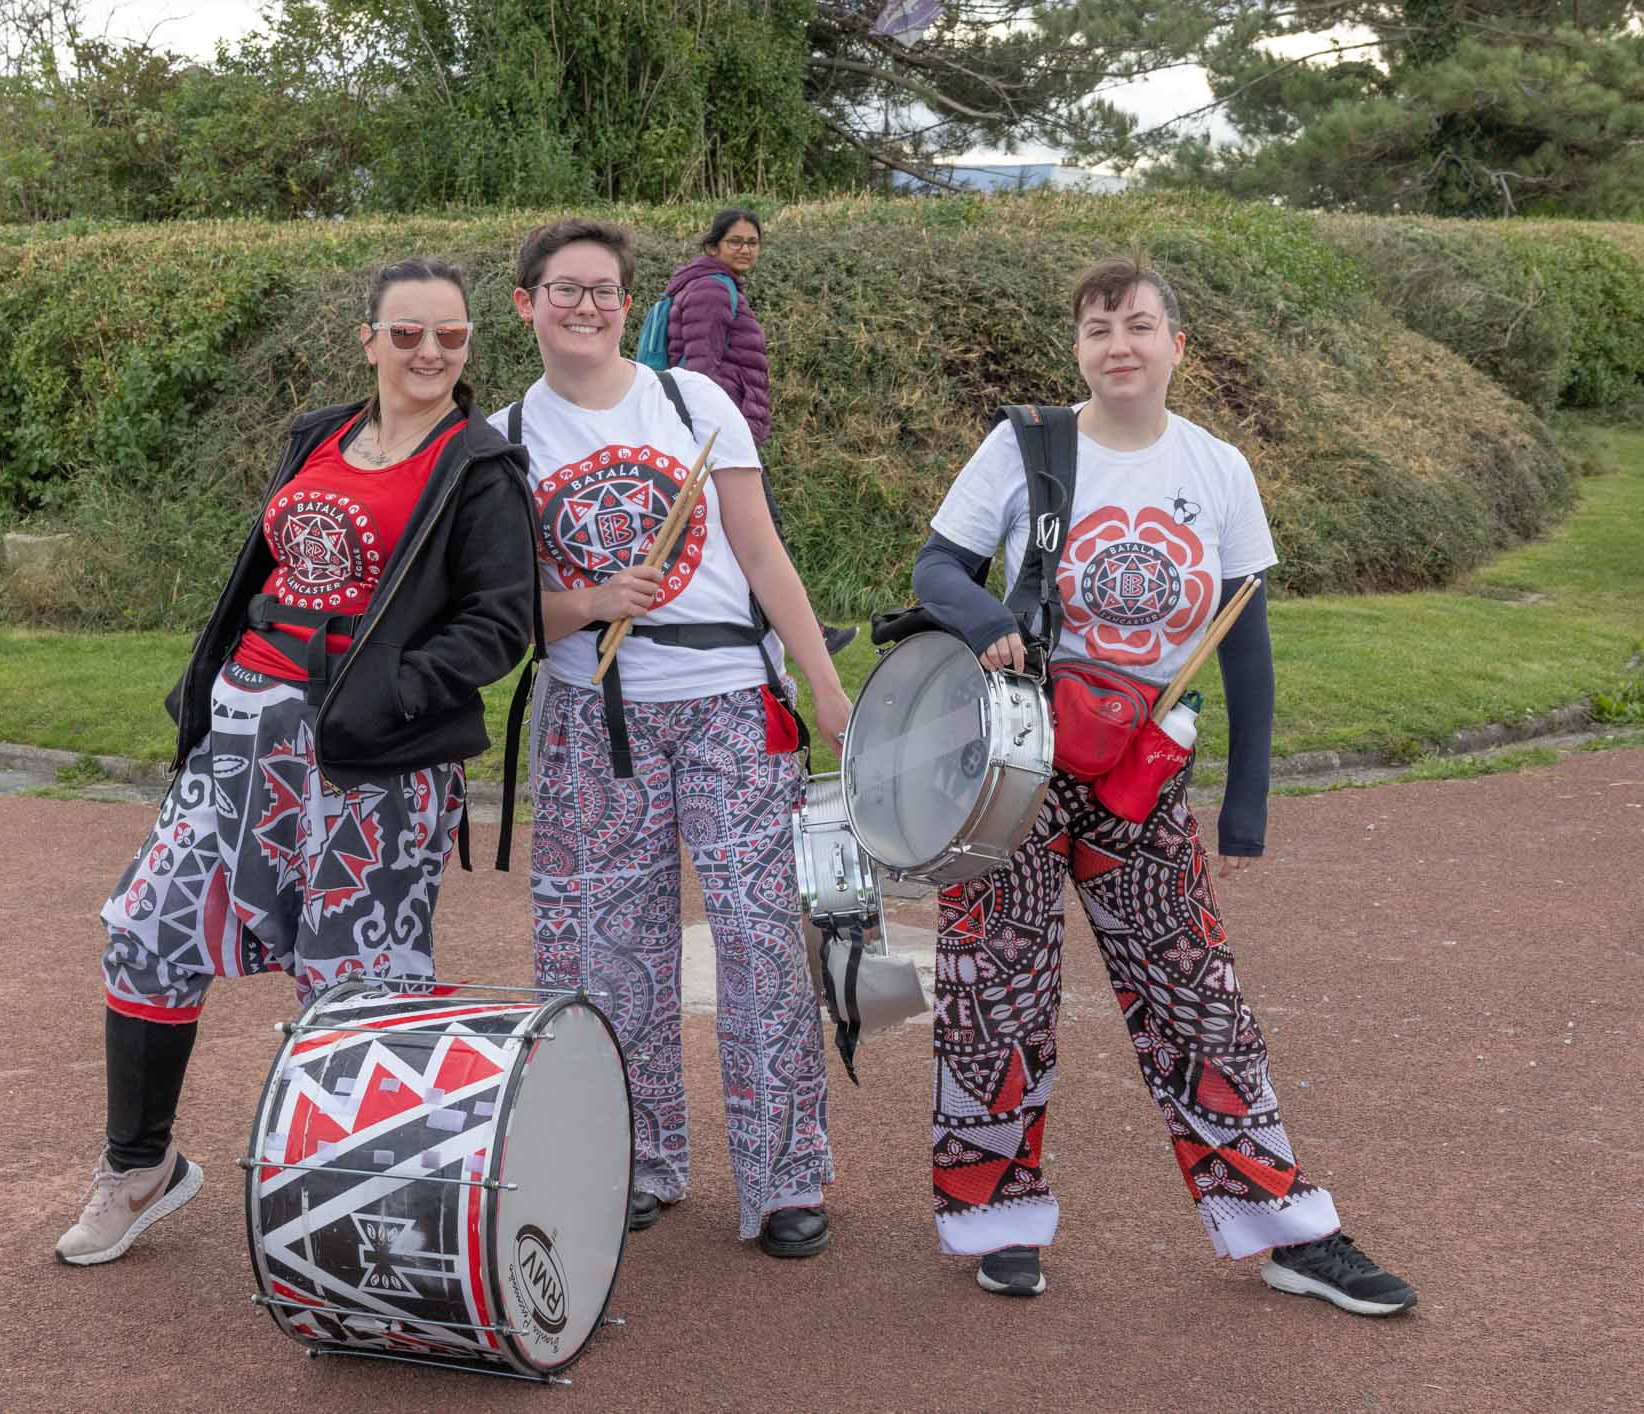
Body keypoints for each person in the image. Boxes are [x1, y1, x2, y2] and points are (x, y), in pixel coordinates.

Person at [909, 253, 1417, 1316]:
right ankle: (997, 1218)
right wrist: (990, 622)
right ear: (1077, 349)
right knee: (991, 991)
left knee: (1197, 993)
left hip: (1146, 772)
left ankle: (1282, 1226)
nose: (1117, 344)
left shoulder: (1217, 467)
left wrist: (1247, 796)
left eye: (1137, 325)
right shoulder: (1024, 445)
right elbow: (936, 569)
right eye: (1096, 328)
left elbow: (1246, 641)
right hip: (1014, 760)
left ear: (1175, 345)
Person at [55, 257, 538, 1266]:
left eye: (449, 336)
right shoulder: (314, 435)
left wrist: (387, 690)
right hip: (243, 734)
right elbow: (263, 567)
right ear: (368, 339)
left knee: (354, 983)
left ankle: (361, 1215)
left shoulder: (479, 466)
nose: (429, 353)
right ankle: (138, 1167)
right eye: (406, 334)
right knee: (147, 933)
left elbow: (498, 627)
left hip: (374, 760)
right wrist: (218, 683)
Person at [494, 217, 850, 1257]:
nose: (585, 307)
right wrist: (593, 599)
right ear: (525, 305)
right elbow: (507, 608)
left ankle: (784, 1176)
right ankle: (633, 1157)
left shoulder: (691, 403)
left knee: (757, 938)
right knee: (607, 953)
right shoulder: (504, 436)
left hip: (732, 700)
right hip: (590, 716)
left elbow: (758, 547)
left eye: (604, 290)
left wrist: (823, 687)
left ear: (626, 304)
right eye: (564, 289)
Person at [666, 208, 855, 657]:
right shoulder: (711, 290)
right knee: (763, 532)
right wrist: (716, 429)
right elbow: (700, 368)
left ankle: (772, 620)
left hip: (724, 431)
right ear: (713, 246)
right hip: (719, 436)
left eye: (753, 242)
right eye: (736, 241)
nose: (746, 249)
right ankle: (808, 632)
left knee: (742, 533)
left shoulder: (715, 286)